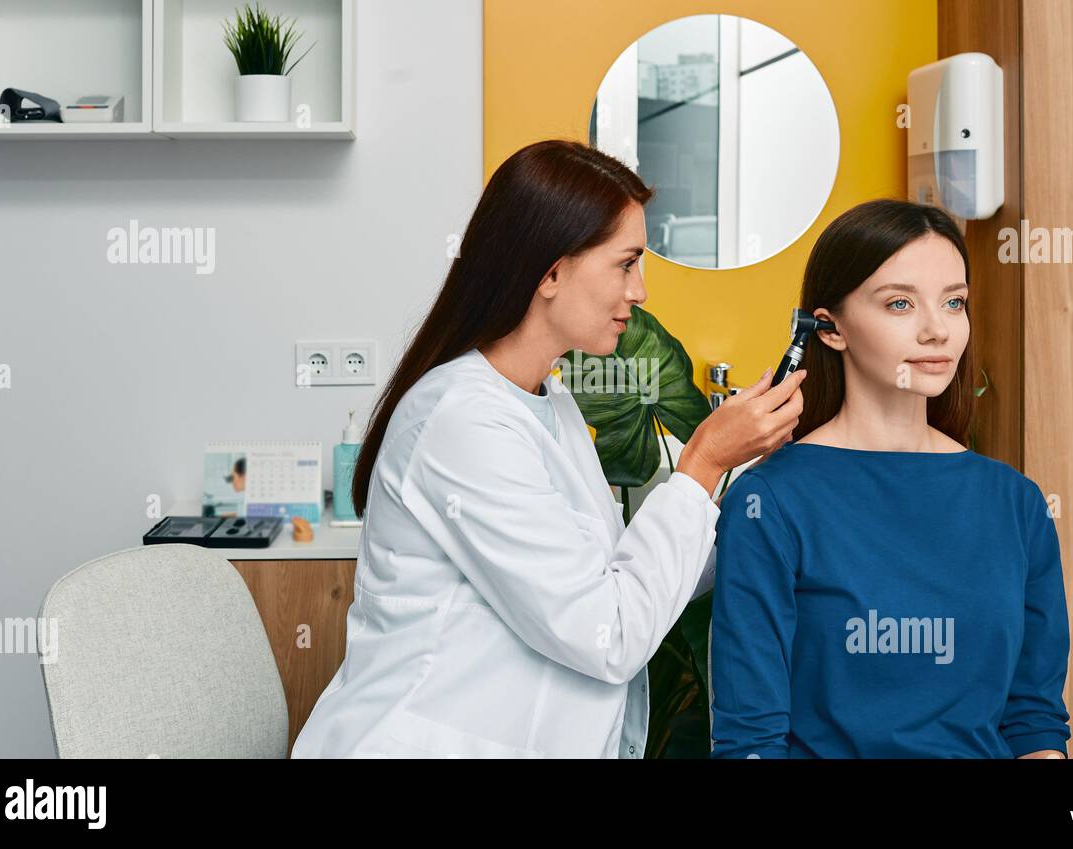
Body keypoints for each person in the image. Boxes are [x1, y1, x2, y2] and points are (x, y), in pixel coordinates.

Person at [291, 139, 805, 757]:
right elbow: (608, 631)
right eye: (626, 263)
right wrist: (702, 463)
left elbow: (625, 577)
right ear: (551, 272)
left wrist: (756, 492)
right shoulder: (464, 422)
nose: (640, 291)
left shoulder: (548, 401)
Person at [710, 199, 1071, 758]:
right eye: (900, 304)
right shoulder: (771, 502)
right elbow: (750, 738)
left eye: (954, 303)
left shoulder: (1015, 503)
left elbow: (1034, 723)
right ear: (829, 329)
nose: (937, 331)